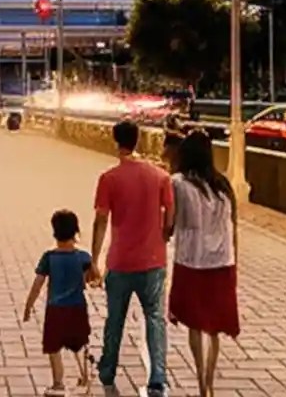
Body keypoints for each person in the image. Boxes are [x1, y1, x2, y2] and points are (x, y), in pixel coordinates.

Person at [91, 120, 174, 397]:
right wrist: (162, 236)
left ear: (116, 141)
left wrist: (95, 260)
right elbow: (170, 216)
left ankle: (107, 370)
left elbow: (101, 220)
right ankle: (158, 377)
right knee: (155, 318)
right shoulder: (160, 176)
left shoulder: (109, 178)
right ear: (138, 139)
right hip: (153, 261)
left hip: (120, 261)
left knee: (115, 319)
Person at [166, 130, 240, 397]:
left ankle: (200, 384)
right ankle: (209, 383)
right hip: (223, 261)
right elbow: (234, 226)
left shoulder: (178, 183)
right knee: (215, 327)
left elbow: (170, 224)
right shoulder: (223, 185)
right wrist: (235, 261)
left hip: (191, 261)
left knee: (195, 324)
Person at [23, 210, 93, 397]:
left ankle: (58, 384)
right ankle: (84, 377)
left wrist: (29, 305)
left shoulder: (49, 257)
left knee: (54, 347)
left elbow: (38, 283)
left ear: (54, 232)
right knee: (79, 342)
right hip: (78, 307)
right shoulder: (83, 257)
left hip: (55, 309)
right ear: (76, 231)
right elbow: (89, 279)